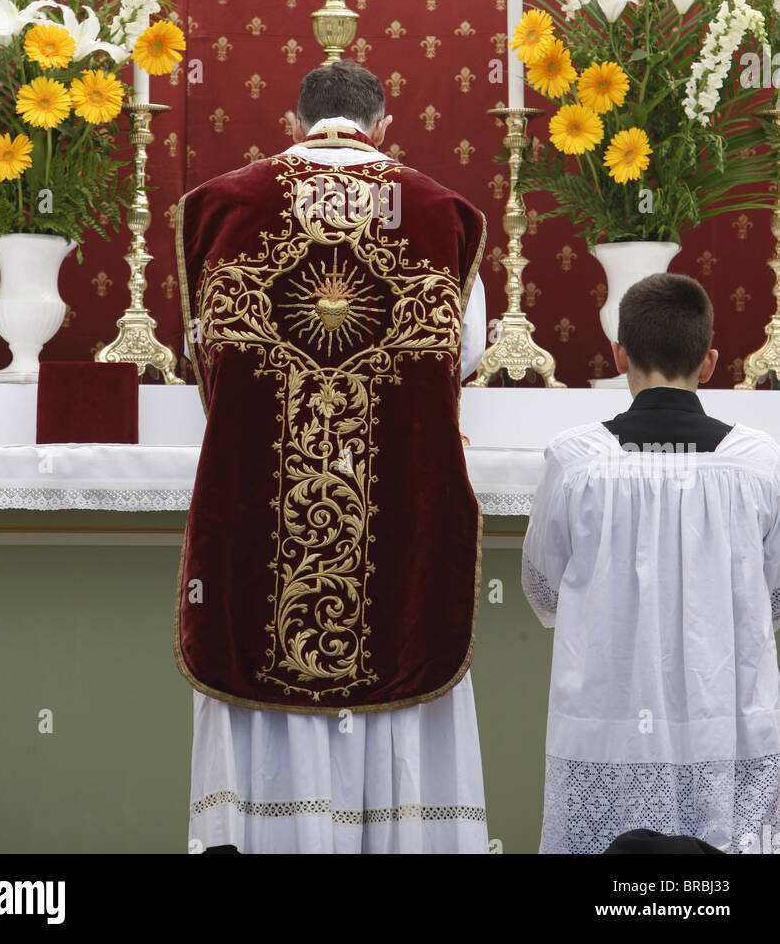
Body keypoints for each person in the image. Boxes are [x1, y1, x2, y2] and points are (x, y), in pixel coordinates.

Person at [174, 59, 489, 853]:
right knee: (404, 644)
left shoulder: (219, 207)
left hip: (257, 511)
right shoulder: (445, 214)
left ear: (294, 124)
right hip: (401, 514)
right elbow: (463, 358)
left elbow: (207, 357)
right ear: (384, 129)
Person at [522, 272, 780, 854]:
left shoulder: (575, 460)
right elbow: (771, 595)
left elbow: (544, 587)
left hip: (608, 719)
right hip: (725, 719)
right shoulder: (759, 463)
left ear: (619, 355)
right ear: (709, 362)